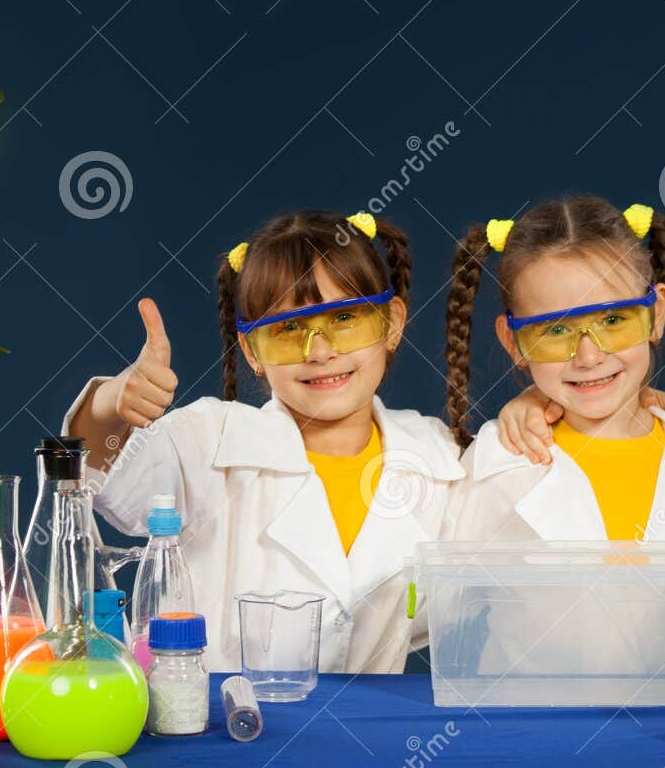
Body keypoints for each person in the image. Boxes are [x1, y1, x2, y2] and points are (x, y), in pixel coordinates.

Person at [63, 211, 461, 673]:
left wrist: (530, 406)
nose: (319, 351)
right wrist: (111, 401)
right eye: (287, 330)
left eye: (346, 317)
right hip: (220, 727)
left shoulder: (440, 457)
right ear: (251, 351)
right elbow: (97, 474)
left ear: (391, 323)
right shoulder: (209, 440)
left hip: (369, 738)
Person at [439, 196, 665, 544]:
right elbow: (447, 591)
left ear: (657, 314)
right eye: (555, 330)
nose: (588, 357)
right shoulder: (492, 467)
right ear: (514, 342)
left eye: (613, 320)